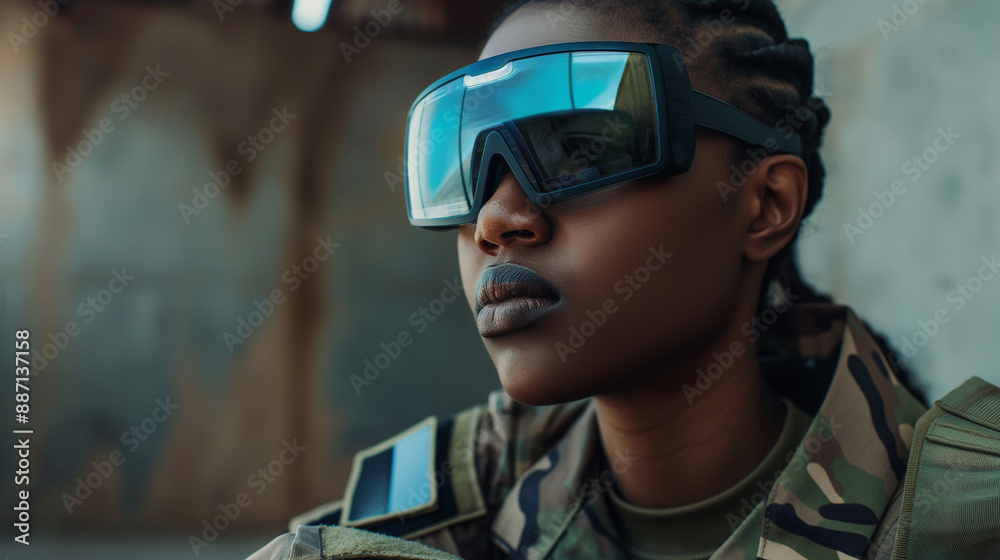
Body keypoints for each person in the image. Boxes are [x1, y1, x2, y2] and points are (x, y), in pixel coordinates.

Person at [248, 1, 1000, 558]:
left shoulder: (963, 519)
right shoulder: (441, 511)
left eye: (579, 150)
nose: (498, 218)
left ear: (765, 204)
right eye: (467, 169)